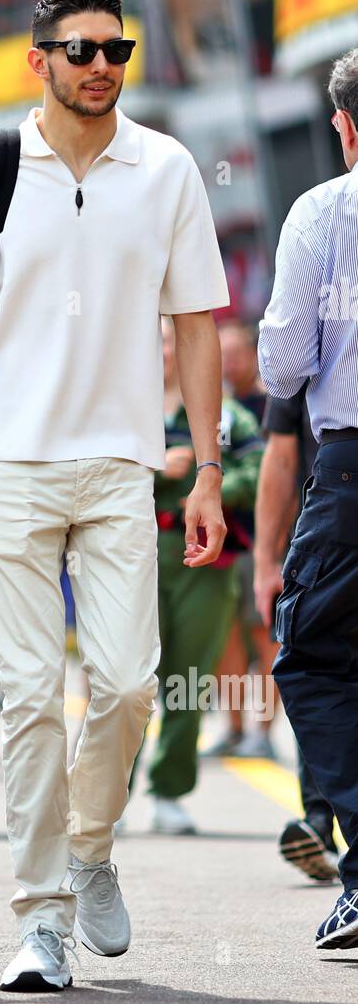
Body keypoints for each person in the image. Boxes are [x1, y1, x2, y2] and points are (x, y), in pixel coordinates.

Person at [0, 0, 230, 992]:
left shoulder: (168, 168)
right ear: (35, 60)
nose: (99, 66)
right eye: (79, 50)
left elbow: (197, 327)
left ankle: (90, 847)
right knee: (33, 696)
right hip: (8, 461)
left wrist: (209, 465)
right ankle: (40, 916)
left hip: (124, 463)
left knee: (131, 682)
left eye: (115, 50)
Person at [258, 45, 358, 949]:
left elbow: (284, 364)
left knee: (313, 659)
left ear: (342, 127)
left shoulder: (324, 211)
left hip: (353, 468)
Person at [129, 317, 263, 835]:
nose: (163, 353)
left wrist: (209, 489)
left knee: (187, 679)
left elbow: (259, 471)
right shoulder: (119, 413)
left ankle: (170, 790)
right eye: (154, 342)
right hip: (130, 552)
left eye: (169, 342)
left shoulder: (223, 417)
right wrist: (155, 467)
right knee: (122, 678)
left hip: (200, 558)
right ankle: (107, 796)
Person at [254, 383, 339, 883]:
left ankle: (320, 822)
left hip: (324, 534)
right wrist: (266, 561)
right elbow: (281, 457)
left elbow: (281, 460)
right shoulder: (304, 359)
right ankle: (317, 822)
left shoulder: (308, 333)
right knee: (314, 670)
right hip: (317, 540)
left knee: (314, 671)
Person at [205, 319, 279, 759]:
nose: (229, 362)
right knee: (226, 635)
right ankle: (232, 728)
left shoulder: (277, 405)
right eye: (222, 353)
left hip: (264, 539)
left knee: (266, 633)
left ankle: (264, 733)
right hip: (224, 542)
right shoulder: (213, 407)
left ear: (254, 356)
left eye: (236, 353)